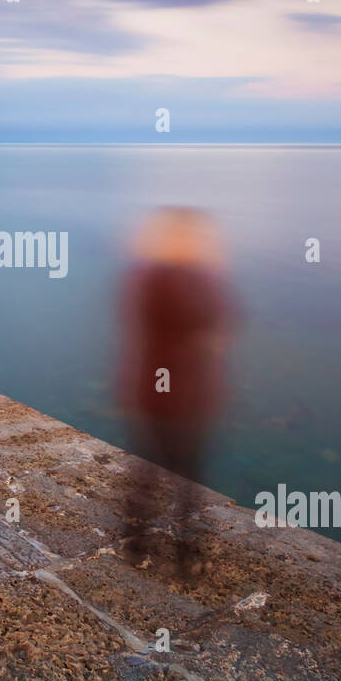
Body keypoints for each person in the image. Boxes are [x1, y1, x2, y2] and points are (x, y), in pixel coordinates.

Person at [117, 208, 241, 577]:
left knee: (158, 470)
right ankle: (179, 552)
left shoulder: (155, 277)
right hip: (175, 394)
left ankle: (139, 541)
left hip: (168, 391)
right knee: (180, 474)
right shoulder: (166, 279)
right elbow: (208, 320)